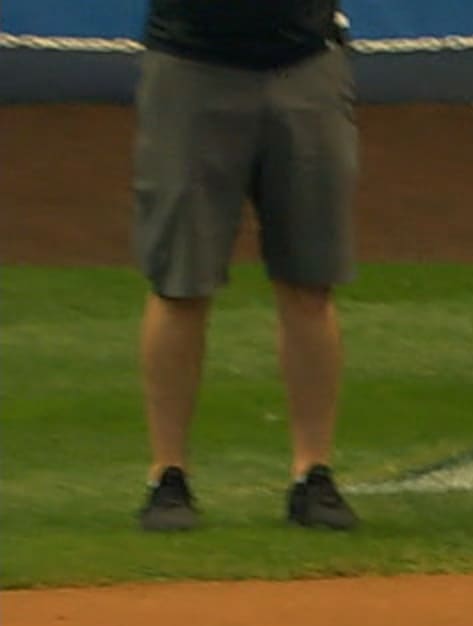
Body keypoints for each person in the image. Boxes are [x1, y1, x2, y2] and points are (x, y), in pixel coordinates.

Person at [131, 0, 360, 533]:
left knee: (310, 280)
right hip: (189, 65)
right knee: (179, 283)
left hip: (306, 63)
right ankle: (167, 475)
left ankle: (314, 473)